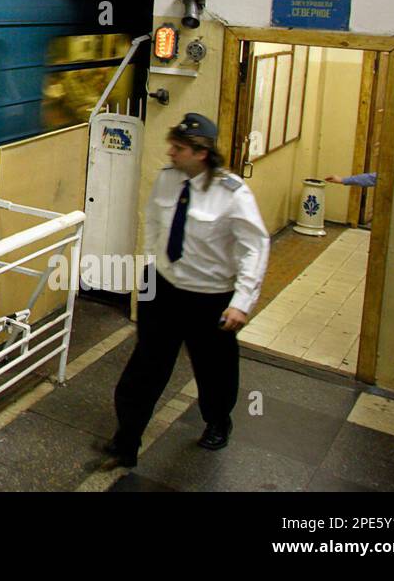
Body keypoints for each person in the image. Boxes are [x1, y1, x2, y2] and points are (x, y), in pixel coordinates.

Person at [99, 112, 270, 470]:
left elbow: (255, 246)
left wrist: (241, 302)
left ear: (201, 152)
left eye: (179, 148)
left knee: (214, 368)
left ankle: (218, 420)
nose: (171, 153)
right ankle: (127, 438)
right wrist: (148, 269)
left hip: (209, 298)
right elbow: (153, 224)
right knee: (145, 366)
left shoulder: (232, 194)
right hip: (163, 291)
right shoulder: (166, 181)